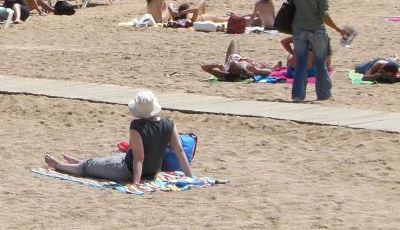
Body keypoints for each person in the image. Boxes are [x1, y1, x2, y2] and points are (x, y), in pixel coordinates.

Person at [43, 90, 193, 184]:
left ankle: (59, 166)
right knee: (100, 161)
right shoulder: (169, 123)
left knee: (89, 167)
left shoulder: (137, 126)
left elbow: (139, 158)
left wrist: (136, 182)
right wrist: (189, 176)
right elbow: (179, 151)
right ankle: (80, 162)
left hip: (127, 169)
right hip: (153, 170)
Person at [290, 0, 350, 102]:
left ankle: (298, 95)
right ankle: (324, 94)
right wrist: (337, 28)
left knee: (301, 63)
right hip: (316, 29)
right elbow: (324, 14)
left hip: (298, 29)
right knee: (320, 62)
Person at [201, 40, 279, 80]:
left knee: (234, 41)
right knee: (266, 67)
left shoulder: (224, 73)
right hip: (251, 65)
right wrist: (257, 70)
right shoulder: (248, 70)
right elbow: (269, 72)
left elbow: (203, 67)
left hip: (238, 63)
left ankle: (275, 66)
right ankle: (275, 66)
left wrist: (216, 65)